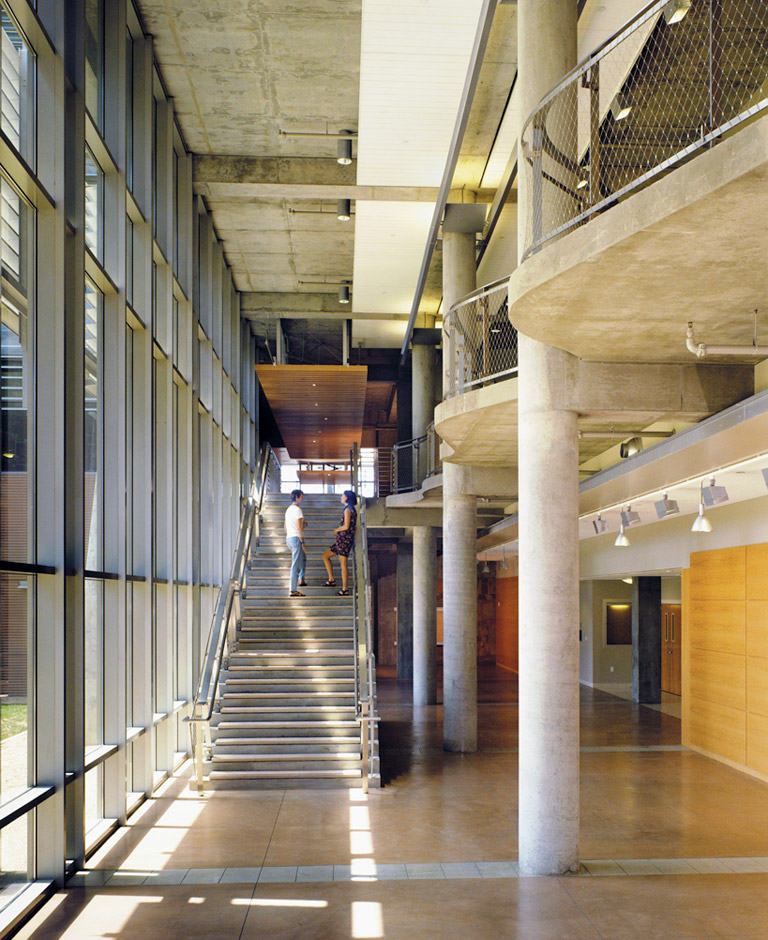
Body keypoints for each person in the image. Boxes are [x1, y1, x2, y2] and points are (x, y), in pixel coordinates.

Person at [322, 490, 357, 596]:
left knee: (343, 565)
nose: (341, 497)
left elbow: (346, 526)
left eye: (342, 495)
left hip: (344, 540)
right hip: (342, 540)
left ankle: (345, 589)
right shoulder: (351, 509)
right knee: (325, 556)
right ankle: (331, 579)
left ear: (347, 498)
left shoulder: (348, 510)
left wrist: (337, 530)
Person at [284, 489, 306, 597]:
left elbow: (285, 528)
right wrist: (303, 542)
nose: (302, 499)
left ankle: (301, 579)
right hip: (296, 538)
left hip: (289, 538)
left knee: (303, 558)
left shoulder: (288, 510)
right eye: (301, 497)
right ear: (296, 497)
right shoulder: (298, 510)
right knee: (296, 564)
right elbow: (299, 528)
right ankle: (293, 589)